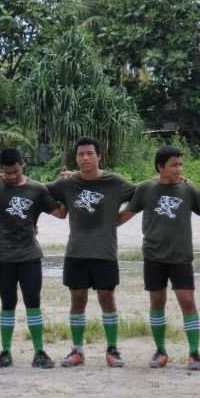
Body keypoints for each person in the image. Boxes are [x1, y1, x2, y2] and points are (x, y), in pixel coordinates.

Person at [120, 145, 200, 369]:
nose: (179, 169)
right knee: (157, 302)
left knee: (188, 301)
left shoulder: (188, 190)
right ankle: (160, 351)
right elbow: (124, 215)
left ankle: (194, 353)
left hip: (181, 256)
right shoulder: (145, 189)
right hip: (153, 256)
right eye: (174, 165)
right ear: (160, 167)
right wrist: (95, 218)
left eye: (181, 164)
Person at [47, 136, 135, 367]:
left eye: (89, 153)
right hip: (76, 252)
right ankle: (77, 351)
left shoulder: (115, 182)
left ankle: (112, 350)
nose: (85, 158)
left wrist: (119, 219)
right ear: (75, 158)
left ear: (99, 156)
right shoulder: (67, 183)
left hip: (104, 252)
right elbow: (35, 193)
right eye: (80, 154)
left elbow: (143, 195)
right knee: (78, 300)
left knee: (107, 298)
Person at [0, 148, 63, 368]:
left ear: (22, 165)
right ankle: (6, 351)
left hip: (29, 255)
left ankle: (39, 351)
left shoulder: (36, 189)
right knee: (7, 303)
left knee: (32, 301)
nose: (11, 176)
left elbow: (59, 213)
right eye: (7, 173)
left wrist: (67, 187)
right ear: (1, 170)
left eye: (15, 172)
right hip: (4, 256)